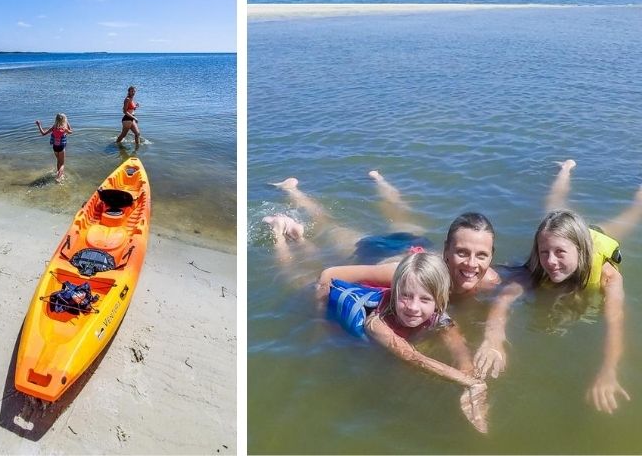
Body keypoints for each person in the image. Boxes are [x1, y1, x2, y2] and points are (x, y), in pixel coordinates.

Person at [474, 160, 642, 413]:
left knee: (632, 213)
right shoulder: (540, 264)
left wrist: (608, 371)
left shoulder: (608, 277)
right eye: (545, 252)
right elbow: (505, 298)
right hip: (566, 232)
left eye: (559, 253)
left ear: (580, 249)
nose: (551, 262)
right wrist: (493, 338)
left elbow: (615, 323)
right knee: (552, 206)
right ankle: (565, 169)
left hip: (593, 235)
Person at [267, 172, 501, 299]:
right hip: (381, 252)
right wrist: (319, 323)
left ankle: (378, 179)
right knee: (328, 227)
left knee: (402, 216)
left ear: (491, 256)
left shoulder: (490, 280)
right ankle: (293, 191)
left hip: (417, 246)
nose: (472, 264)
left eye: (481, 255)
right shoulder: (406, 274)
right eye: (462, 252)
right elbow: (329, 275)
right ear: (447, 251)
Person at [329, 250, 489, 432]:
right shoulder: (375, 324)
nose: (413, 307)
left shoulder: (438, 315)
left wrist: (473, 380)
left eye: (425, 299)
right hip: (328, 296)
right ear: (395, 292)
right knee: (300, 275)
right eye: (405, 296)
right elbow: (411, 357)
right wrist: (469, 382)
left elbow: (458, 346)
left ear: (438, 302)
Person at [36, 113, 73, 182]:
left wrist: (39, 125)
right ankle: (58, 178)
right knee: (62, 164)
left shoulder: (53, 127)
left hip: (55, 147)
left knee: (58, 161)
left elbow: (43, 133)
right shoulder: (64, 129)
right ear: (64, 120)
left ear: (56, 120)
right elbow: (71, 132)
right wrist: (67, 123)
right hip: (61, 147)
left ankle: (59, 174)